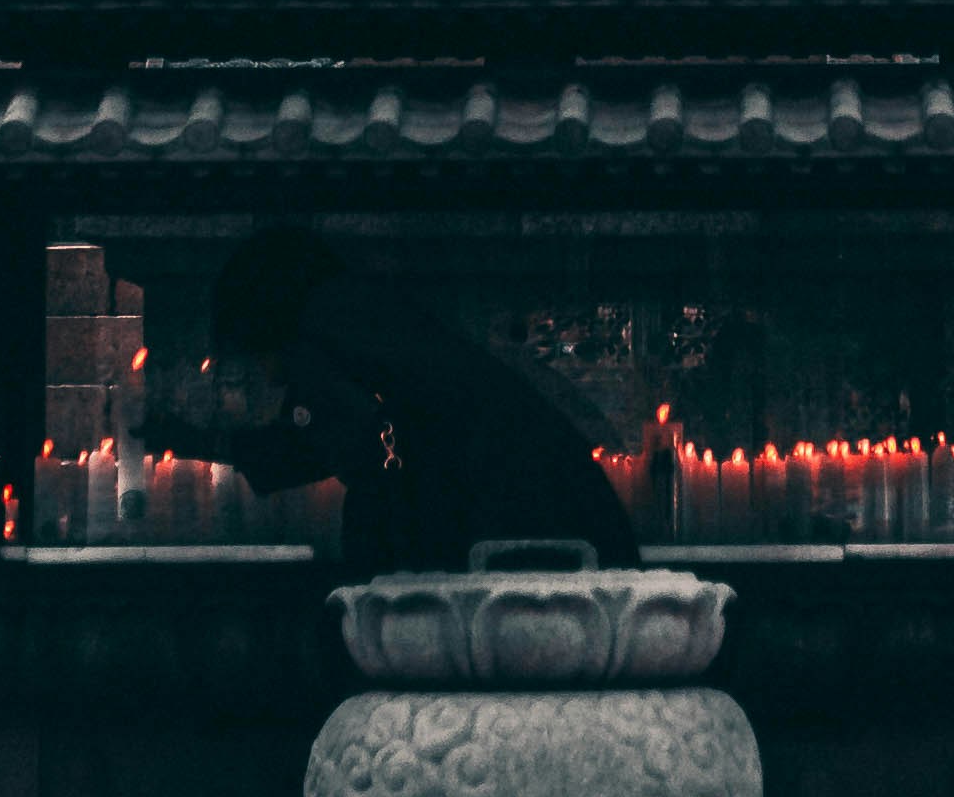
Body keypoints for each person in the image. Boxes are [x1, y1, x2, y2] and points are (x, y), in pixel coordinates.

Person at [197, 224, 638, 578]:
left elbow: (330, 437)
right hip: (554, 520)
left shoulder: (331, 334)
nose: (266, 381)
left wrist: (211, 442)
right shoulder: (379, 328)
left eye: (255, 360)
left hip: (502, 532)